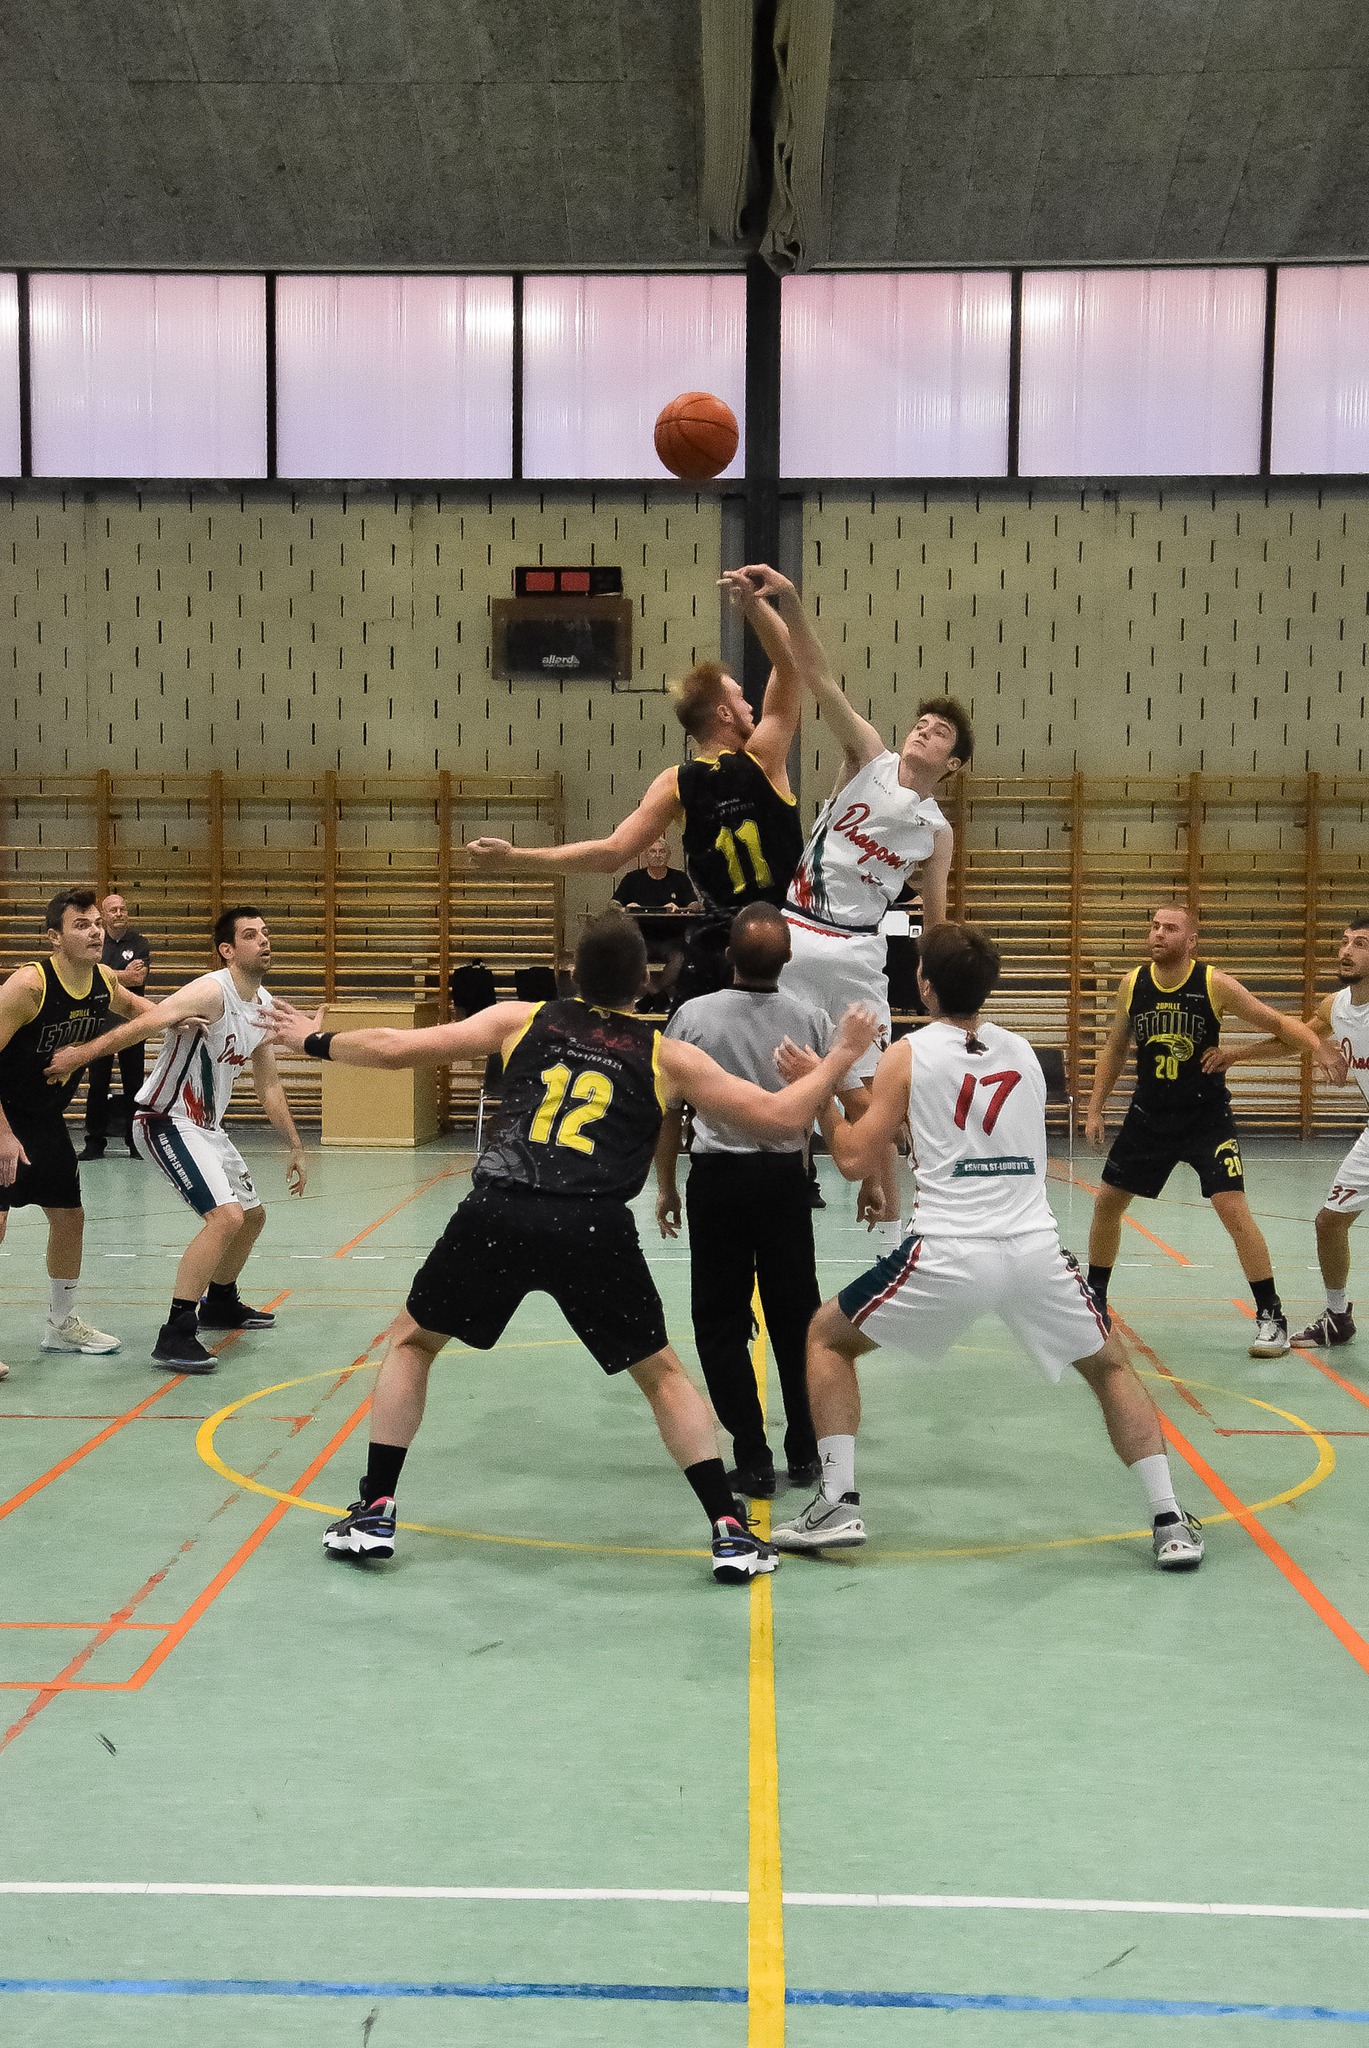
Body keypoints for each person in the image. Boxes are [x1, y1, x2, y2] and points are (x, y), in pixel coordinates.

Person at [264, 909, 876, 1584]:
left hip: (498, 1209)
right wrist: (842, 1057)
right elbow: (782, 1117)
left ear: (570, 974)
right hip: (592, 1225)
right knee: (663, 1376)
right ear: (642, 988)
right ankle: (728, 1530)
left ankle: (375, 1508)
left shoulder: (520, 1019)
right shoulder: (664, 1055)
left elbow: (394, 1048)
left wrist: (313, 1039)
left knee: (412, 1342)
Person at [769, 921, 1205, 1573]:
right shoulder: (1023, 1052)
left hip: (950, 1251)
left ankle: (837, 1500)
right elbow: (946, 1120)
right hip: (1033, 1250)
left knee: (826, 1337)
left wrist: (824, 1090)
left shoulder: (909, 1054)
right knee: (1111, 1367)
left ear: (923, 984)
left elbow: (859, 1158)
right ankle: (1169, 1519)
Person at [726, 564, 972, 1247]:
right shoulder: (868, 754)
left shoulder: (935, 830)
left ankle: (884, 1200)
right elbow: (815, 675)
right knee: (769, 1073)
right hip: (796, 931)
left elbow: (939, 916)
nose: (925, 731)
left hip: (860, 952)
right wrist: (784, 606)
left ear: (953, 764)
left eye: (939, 732)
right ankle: (766, 1196)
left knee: (865, 1094)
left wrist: (938, 985)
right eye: (921, 723)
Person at [467, 571, 806, 1003]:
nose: (751, 707)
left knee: (693, 1065)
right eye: (741, 698)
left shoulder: (675, 783)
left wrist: (515, 857)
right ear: (724, 713)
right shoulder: (763, 757)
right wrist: (756, 607)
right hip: (785, 937)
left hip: (718, 949)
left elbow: (610, 853)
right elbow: (791, 663)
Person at [47, 906, 307, 1375]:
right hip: (165, 1118)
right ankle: (175, 1334)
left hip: (206, 1127)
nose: (264, 941)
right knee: (224, 1218)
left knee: (252, 1217)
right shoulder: (212, 990)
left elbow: (268, 1085)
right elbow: (145, 1023)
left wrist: (295, 1143)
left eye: (266, 933)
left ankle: (221, 1303)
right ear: (228, 950)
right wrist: (79, 1056)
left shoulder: (262, 1004)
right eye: (251, 935)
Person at [1084, 904, 1341, 1357]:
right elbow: (1115, 1046)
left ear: (1191, 941)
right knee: (1107, 1203)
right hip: (1149, 1115)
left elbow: (1279, 1023)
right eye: (1155, 926)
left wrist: (1318, 1048)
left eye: (1170, 928)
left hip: (1205, 1118)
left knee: (1233, 1209)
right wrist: (1095, 1107)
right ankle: (1094, 1302)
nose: (1159, 934)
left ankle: (1271, 1316)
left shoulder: (1213, 983)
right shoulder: (1133, 983)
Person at [657, 904, 828, 1499]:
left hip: (718, 1183)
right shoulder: (810, 1018)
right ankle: (806, 1450)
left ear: (726, 953)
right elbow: (828, 1103)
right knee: (796, 1318)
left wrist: (665, 1184)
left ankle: (752, 1457)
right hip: (784, 1183)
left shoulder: (691, 1017)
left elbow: (672, 1111)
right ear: (788, 958)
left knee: (720, 1321)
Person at [0, 888, 154, 1375]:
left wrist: (201, 1017)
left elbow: (149, 1014)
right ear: (55, 937)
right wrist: (3, 1135)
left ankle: (61, 1324)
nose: (93, 932)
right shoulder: (29, 987)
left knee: (69, 1216)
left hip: (42, 1118)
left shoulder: (104, 981)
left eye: (95, 924)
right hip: (2, 1117)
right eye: (80, 925)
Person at [1205, 913, 1366, 1349]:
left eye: (1362, 944)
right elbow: (1294, 1039)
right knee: (1329, 1224)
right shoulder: (1335, 1007)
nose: (1347, 950)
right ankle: (1337, 1316)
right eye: (1345, 941)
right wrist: (1236, 1054)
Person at [80, 891, 152, 1161]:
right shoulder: (97, 941)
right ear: (104, 915)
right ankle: (94, 1142)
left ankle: (135, 1143)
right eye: (113, 910)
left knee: (134, 1084)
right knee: (98, 1083)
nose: (119, 913)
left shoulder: (140, 943)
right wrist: (122, 973)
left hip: (133, 1023)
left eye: (123, 909)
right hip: (99, 1023)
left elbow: (137, 980)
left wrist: (106, 973)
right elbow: (89, 973)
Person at [612, 838, 697, 913]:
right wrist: (626, 910)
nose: (657, 855)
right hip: (638, 929)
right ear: (646, 855)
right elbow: (612, 905)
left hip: (672, 927)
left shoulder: (680, 878)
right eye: (652, 851)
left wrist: (678, 910)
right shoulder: (632, 879)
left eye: (662, 851)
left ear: (668, 855)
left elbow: (695, 906)